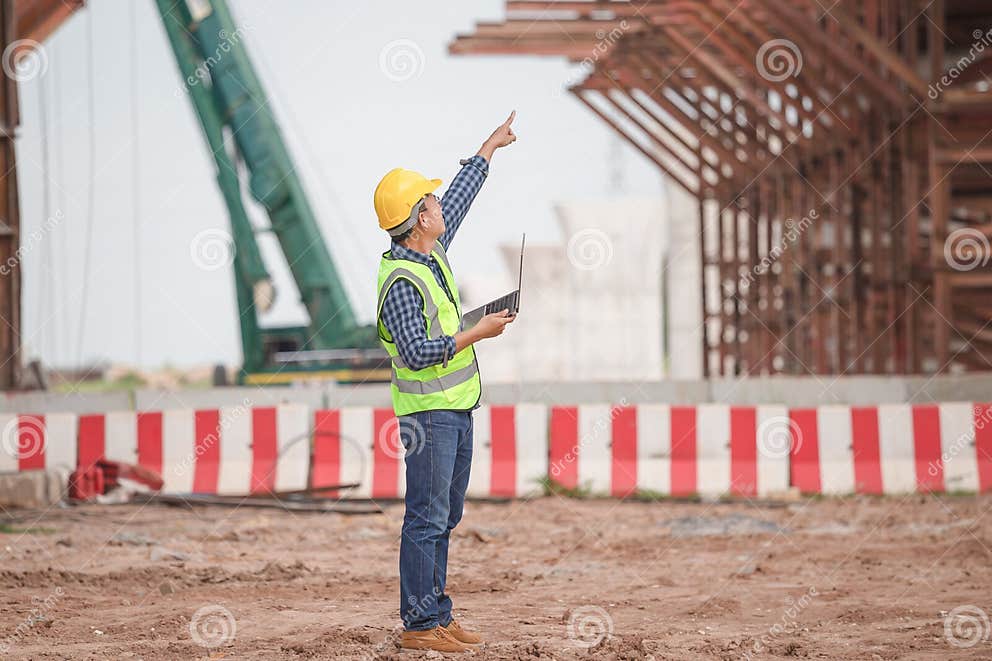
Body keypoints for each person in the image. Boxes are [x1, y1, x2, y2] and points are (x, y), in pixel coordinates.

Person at [373, 111, 518, 653]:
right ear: (416, 220)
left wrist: (488, 149)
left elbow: (457, 198)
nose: (438, 205)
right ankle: (418, 626)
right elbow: (415, 353)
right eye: (428, 202)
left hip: (454, 408)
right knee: (427, 518)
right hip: (429, 415)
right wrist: (476, 333)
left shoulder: (428, 252)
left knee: (446, 515)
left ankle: (435, 612)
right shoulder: (404, 282)